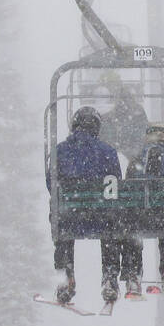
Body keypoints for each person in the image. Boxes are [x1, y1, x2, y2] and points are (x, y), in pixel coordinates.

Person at [48, 106, 122, 305]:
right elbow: (115, 184)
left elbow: (51, 184)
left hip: (69, 217)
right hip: (100, 217)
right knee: (111, 235)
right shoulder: (107, 151)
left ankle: (65, 279)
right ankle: (109, 278)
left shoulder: (60, 151)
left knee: (62, 235)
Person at [125, 122, 164, 293]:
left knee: (131, 232)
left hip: (141, 218)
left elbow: (128, 191)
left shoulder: (136, 160)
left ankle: (134, 276)